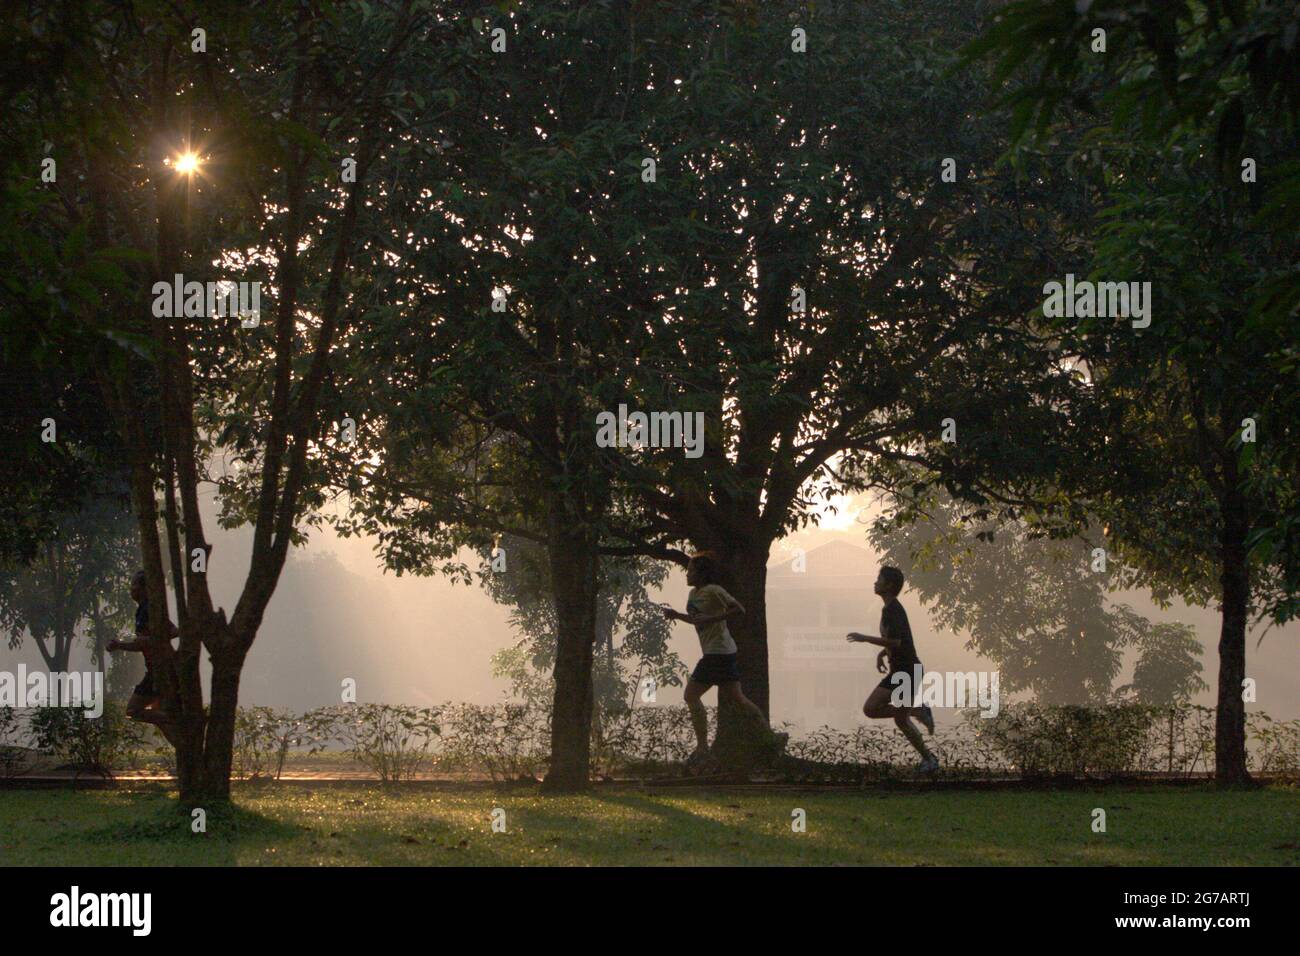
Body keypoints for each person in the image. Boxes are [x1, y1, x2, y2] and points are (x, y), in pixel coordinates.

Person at [661, 551, 772, 769]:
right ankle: (769, 734)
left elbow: (739, 609)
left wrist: (712, 618)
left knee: (691, 695)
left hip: (718, 652)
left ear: (702, 574)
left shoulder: (714, 591)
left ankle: (702, 748)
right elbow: (697, 620)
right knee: (738, 698)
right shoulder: (694, 594)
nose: (687, 574)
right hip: (718, 652)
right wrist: (676, 615)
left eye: (691, 570)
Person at [847, 565, 938, 773]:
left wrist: (865, 639)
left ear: (889, 585)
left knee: (874, 710)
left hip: (907, 671)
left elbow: (896, 641)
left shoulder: (892, 610)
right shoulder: (889, 609)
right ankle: (929, 758)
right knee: (899, 719)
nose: (875, 582)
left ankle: (919, 713)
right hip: (902, 670)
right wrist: (882, 654)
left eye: (879, 579)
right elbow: (898, 642)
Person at [108, 570, 178, 746]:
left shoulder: (150, 609)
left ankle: (178, 718)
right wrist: (119, 645)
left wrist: (145, 640)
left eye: (135, 585)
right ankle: (189, 754)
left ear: (146, 589)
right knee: (158, 714)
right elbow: (141, 645)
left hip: (161, 669)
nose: (131, 589)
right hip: (157, 668)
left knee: (133, 710)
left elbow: (173, 632)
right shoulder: (142, 611)